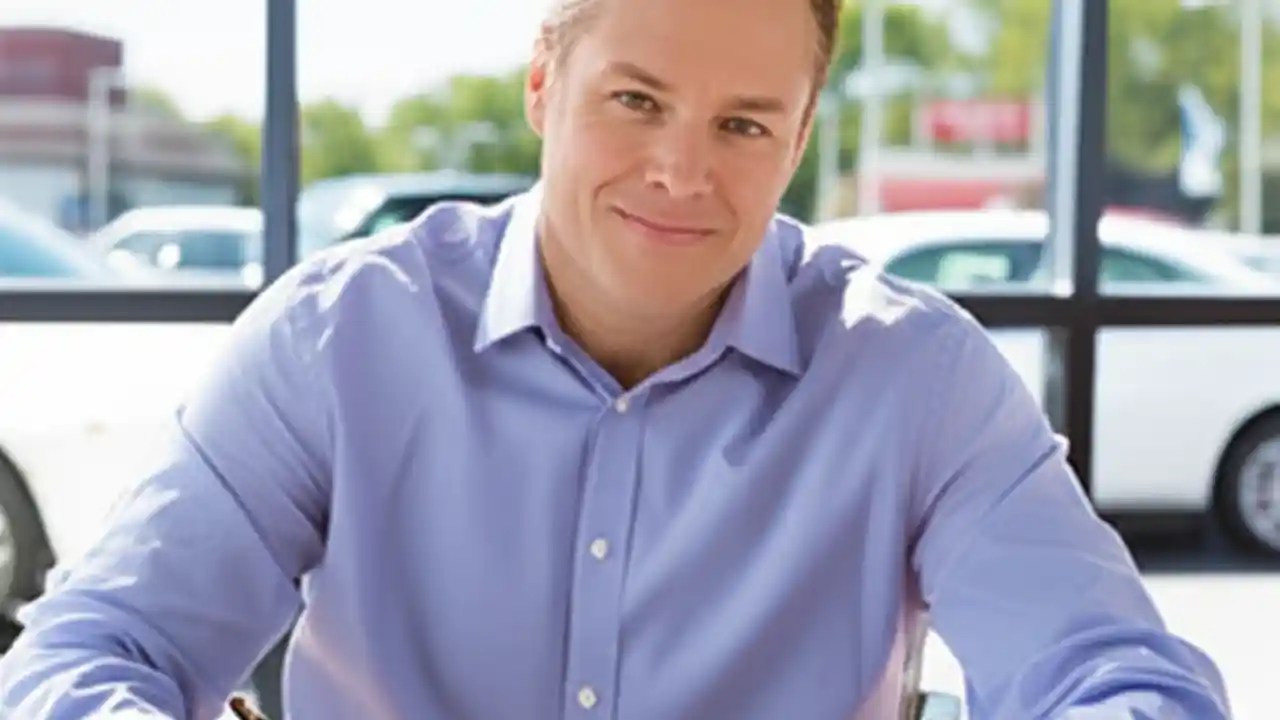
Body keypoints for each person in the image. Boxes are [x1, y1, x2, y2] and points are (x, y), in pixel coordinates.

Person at [0, 0, 1232, 717]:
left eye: (741, 124)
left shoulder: (917, 382)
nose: (680, 173)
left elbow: (1105, 670)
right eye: (635, 101)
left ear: (799, 136)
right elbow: (93, 652)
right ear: (544, 84)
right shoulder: (338, 340)